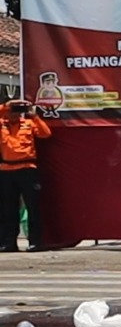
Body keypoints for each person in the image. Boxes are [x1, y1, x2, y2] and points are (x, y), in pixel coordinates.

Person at [0, 99, 52, 253]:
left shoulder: (28, 124)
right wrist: (7, 105)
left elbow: (45, 134)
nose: (14, 113)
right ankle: (9, 242)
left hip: (27, 169)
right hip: (5, 170)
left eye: (17, 110)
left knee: (33, 207)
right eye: (12, 111)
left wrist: (34, 115)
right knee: (7, 209)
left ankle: (35, 242)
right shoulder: (1, 124)